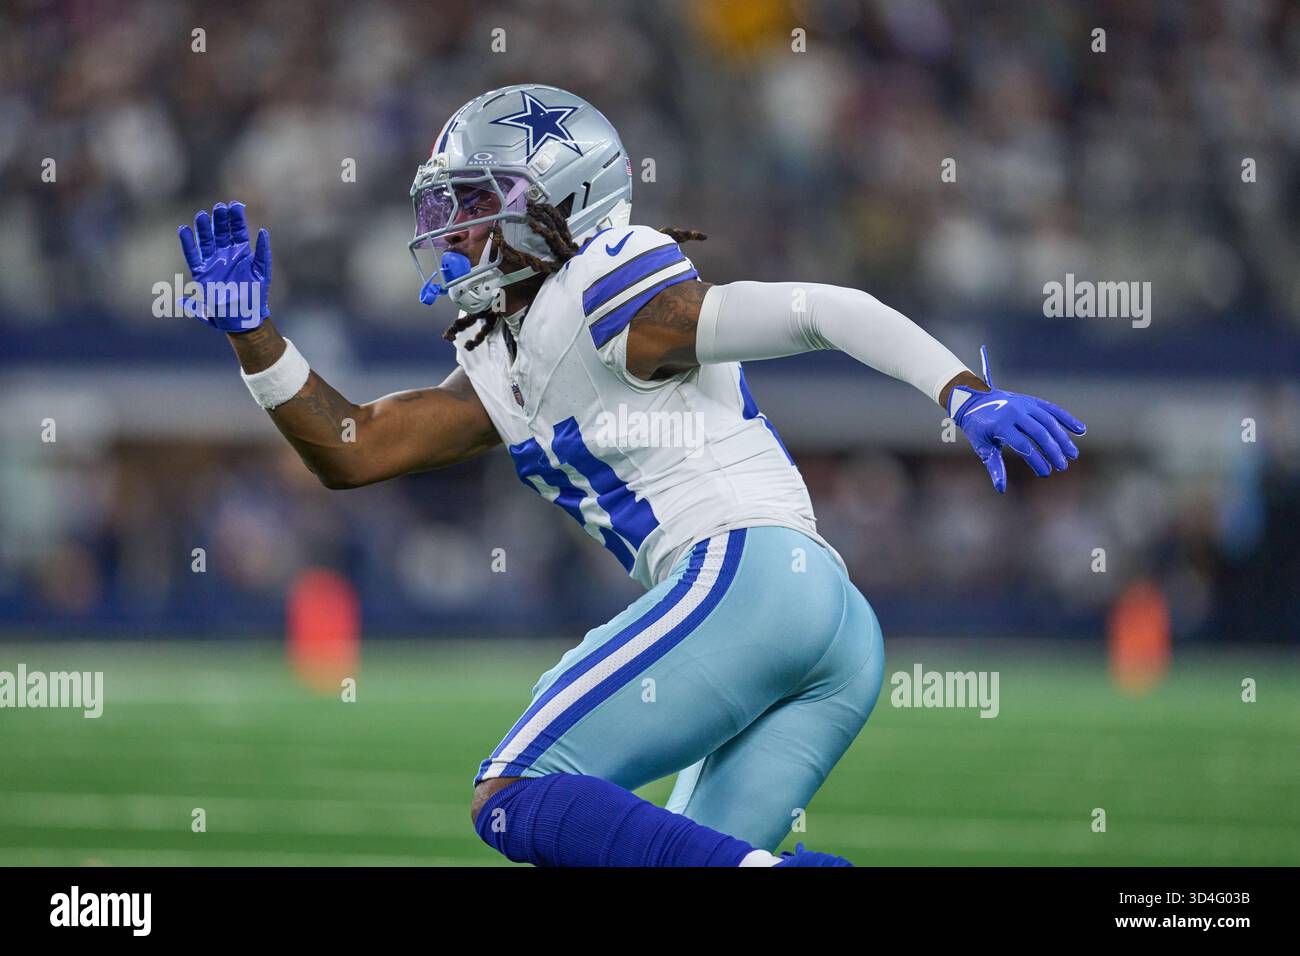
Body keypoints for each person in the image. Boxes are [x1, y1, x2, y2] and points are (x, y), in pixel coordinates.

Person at [177, 84, 1086, 866]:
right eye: (446, 205)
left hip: (747, 580)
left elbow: (821, 310)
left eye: (476, 201)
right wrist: (254, 337)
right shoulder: (507, 352)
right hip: (825, 628)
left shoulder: (608, 289)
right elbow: (355, 447)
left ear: (561, 206)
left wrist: (962, 393)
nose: (450, 229)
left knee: (514, 790)